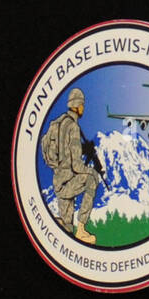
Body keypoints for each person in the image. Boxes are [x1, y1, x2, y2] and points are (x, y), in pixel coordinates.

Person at [46, 87, 100, 245]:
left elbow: (64, 151)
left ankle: (65, 224)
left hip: (58, 181)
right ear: (77, 105)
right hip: (69, 182)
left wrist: (83, 149)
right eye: (82, 104)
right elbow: (76, 165)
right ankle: (82, 229)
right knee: (92, 179)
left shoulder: (58, 123)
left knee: (66, 229)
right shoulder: (74, 128)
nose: (83, 107)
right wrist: (91, 170)